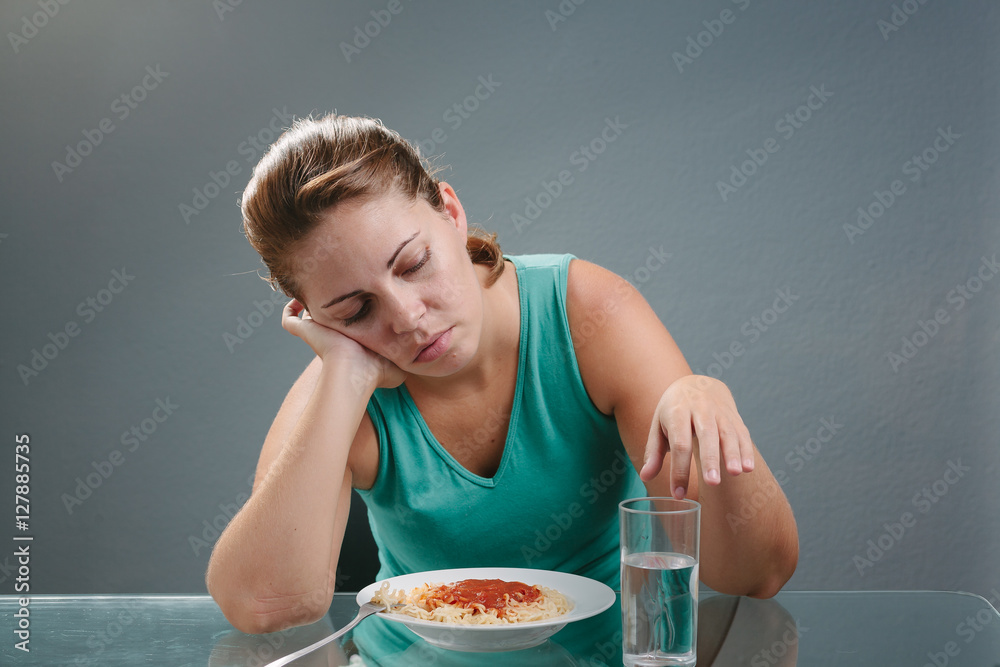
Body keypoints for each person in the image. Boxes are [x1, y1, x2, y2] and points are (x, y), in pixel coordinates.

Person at [205, 113, 798, 635]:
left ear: (451, 213)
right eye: (356, 310)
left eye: (414, 264)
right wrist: (346, 374)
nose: (408, 318)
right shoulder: (340, 388)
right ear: (314, 319)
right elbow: (265, 606)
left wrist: (709, 407)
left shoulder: (587, 314)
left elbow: (758, 574)